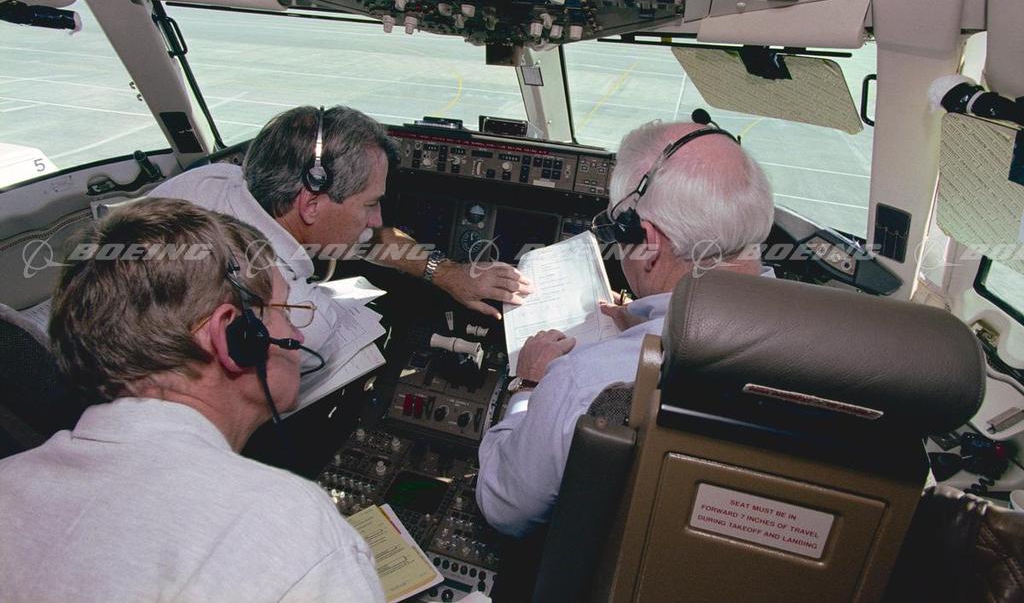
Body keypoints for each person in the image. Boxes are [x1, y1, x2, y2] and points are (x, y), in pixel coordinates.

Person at [0, 199, 384, 602]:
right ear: (235, 337)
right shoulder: (290, 525)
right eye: (284, 313)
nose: (298, 336)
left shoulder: (9, 480)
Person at [476, 120, 776, 537]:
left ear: (648, 243)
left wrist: (528, 387)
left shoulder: (580, 382)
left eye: (617, 230)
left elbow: (505, 507)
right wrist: (645, 322)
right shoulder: (835, 346)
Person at [151, 105, 531, 365]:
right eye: (370, 204)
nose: (377, 219)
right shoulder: (300, 321)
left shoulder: (211, 179)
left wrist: (447, 273)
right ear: (311, 205)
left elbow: (373, 241)